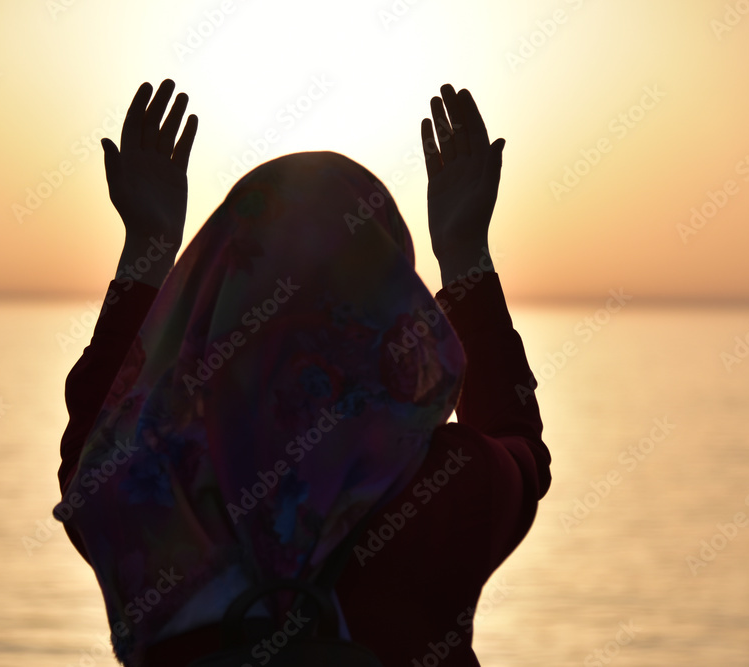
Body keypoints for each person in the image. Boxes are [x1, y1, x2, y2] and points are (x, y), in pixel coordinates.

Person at [55, 79, 551, 667]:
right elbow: (519, 443)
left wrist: (148, 246)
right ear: (393, 304)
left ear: (220, 296)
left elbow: (101, 434)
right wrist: (463, 250)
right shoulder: (446, 490)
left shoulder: (145, 489)